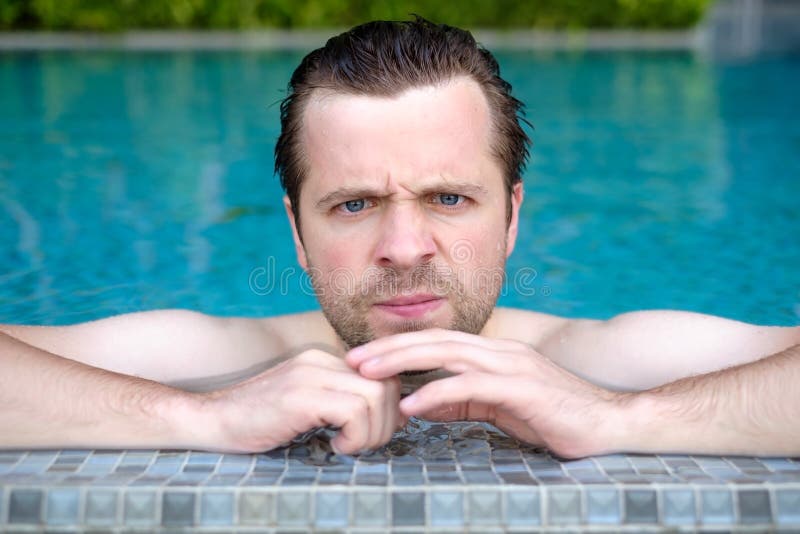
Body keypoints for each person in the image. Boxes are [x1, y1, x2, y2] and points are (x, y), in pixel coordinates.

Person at [1, 18, 798, 459]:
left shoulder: (607, 363)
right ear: (297, 233)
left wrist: (625, 421)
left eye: (449, 198)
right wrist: (194, 420)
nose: (406, 246)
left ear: (513, 216)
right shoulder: (211, 359)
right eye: (353, 205)